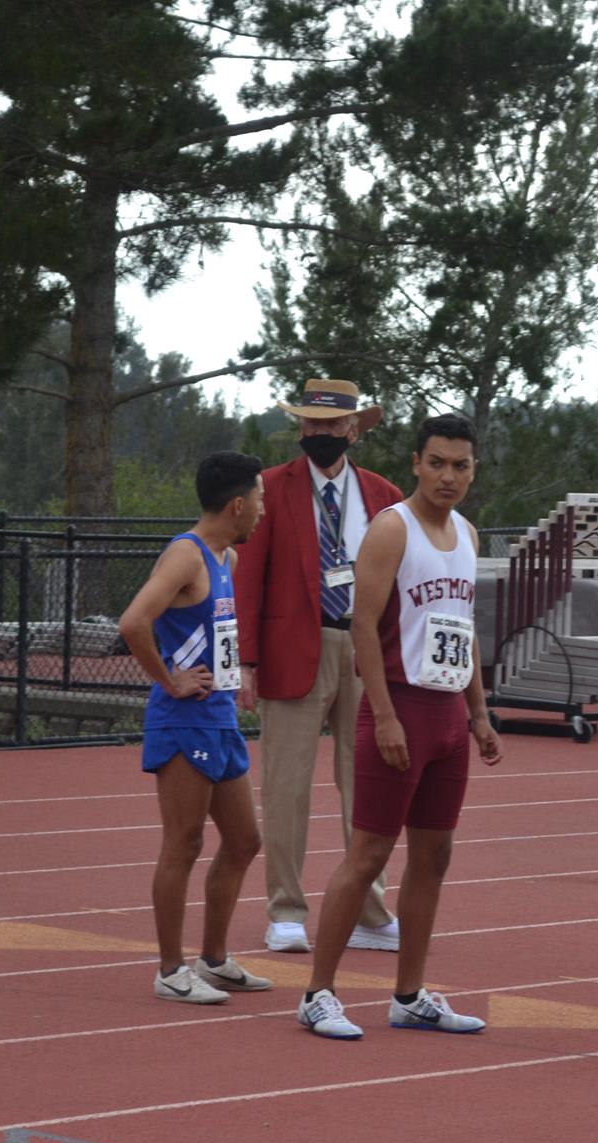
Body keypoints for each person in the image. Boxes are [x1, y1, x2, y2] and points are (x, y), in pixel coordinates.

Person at [295, 414, 503, 1040]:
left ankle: (409, 995)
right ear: (416, 463)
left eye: (460, 465)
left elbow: (460, 632)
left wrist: (479, 713)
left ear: (473, 470)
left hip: (446, 716)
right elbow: (363, 626)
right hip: (398, 708)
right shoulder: (392, 530)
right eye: (437, 462)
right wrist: (382, 713)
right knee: (368, 856)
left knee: (434, 856)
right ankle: (316, 994)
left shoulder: (467, 533)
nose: (448, 476)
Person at [234, 379, 404, 954]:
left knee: (371, 787)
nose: (321, 434)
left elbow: (404, 584)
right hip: (292, 654)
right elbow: (247, 579)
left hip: (367, 656)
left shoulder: (385, 496)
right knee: (286, 789)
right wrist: (246, 663)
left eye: (332, 425)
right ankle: (285, 911)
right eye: (311, 424)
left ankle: (368, 911)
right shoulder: (271, 489)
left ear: (354, 429)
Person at [118, 451, 274, 1004]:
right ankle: (169, 970)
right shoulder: (186, 556)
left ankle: (213, 959)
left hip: (219, 718)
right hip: (184, 720)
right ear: (236, 504)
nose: (262, 509)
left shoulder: (224, 557)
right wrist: (170, 679)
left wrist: (232, 682)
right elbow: (134, 621)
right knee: (183, 843)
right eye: (258, 499)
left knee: (244, 840)